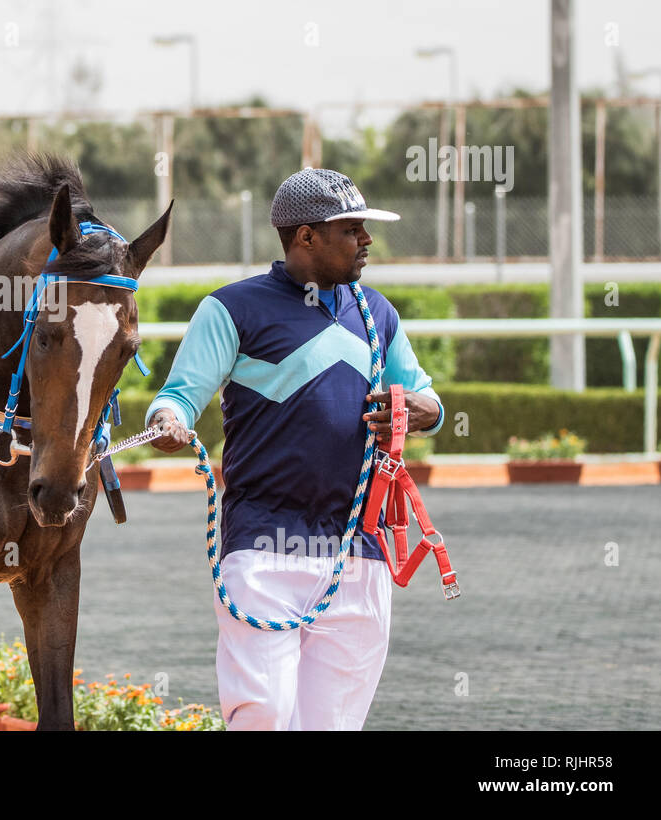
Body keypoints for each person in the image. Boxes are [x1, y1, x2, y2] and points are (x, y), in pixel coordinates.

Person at [146, 168, 444, 730]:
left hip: (361, 547)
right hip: (263, 544)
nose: (366, 240)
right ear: (305, 236)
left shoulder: (378, 314)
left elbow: (428, 398)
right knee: (264, 716)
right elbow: (179, 396)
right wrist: (168, 421)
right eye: (352, 228)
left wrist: (422, 410)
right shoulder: (231, 309)